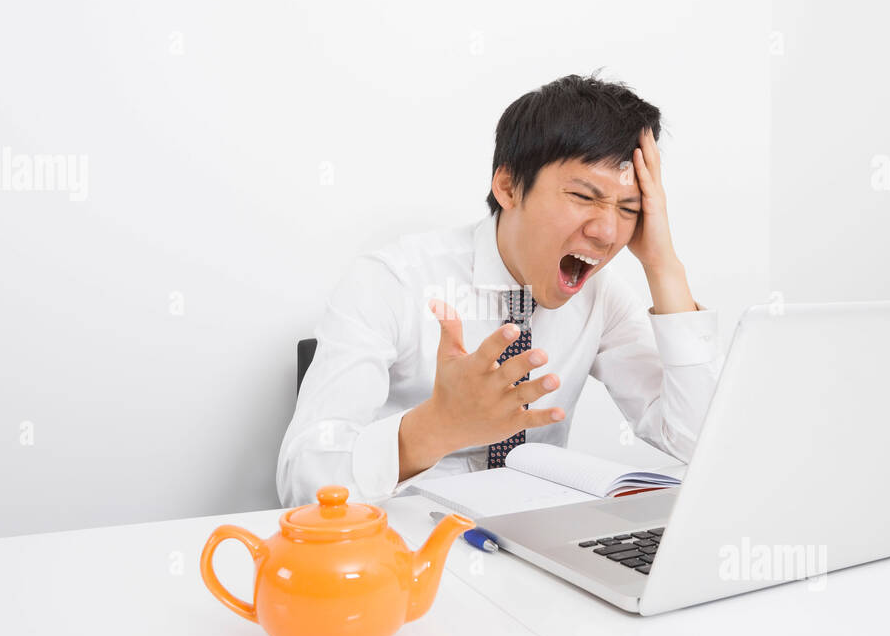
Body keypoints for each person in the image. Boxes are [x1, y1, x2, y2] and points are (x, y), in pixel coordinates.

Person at [276, 72, 723, 507]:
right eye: (585, 197)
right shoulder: (390, 280)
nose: (607, 231)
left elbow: (701, 444)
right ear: (508, 187)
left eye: (629, 207)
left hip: (535, 550)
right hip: (404, 552)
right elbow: (302, 482)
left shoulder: (602, 296)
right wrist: (437, 427)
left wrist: (662, 264)